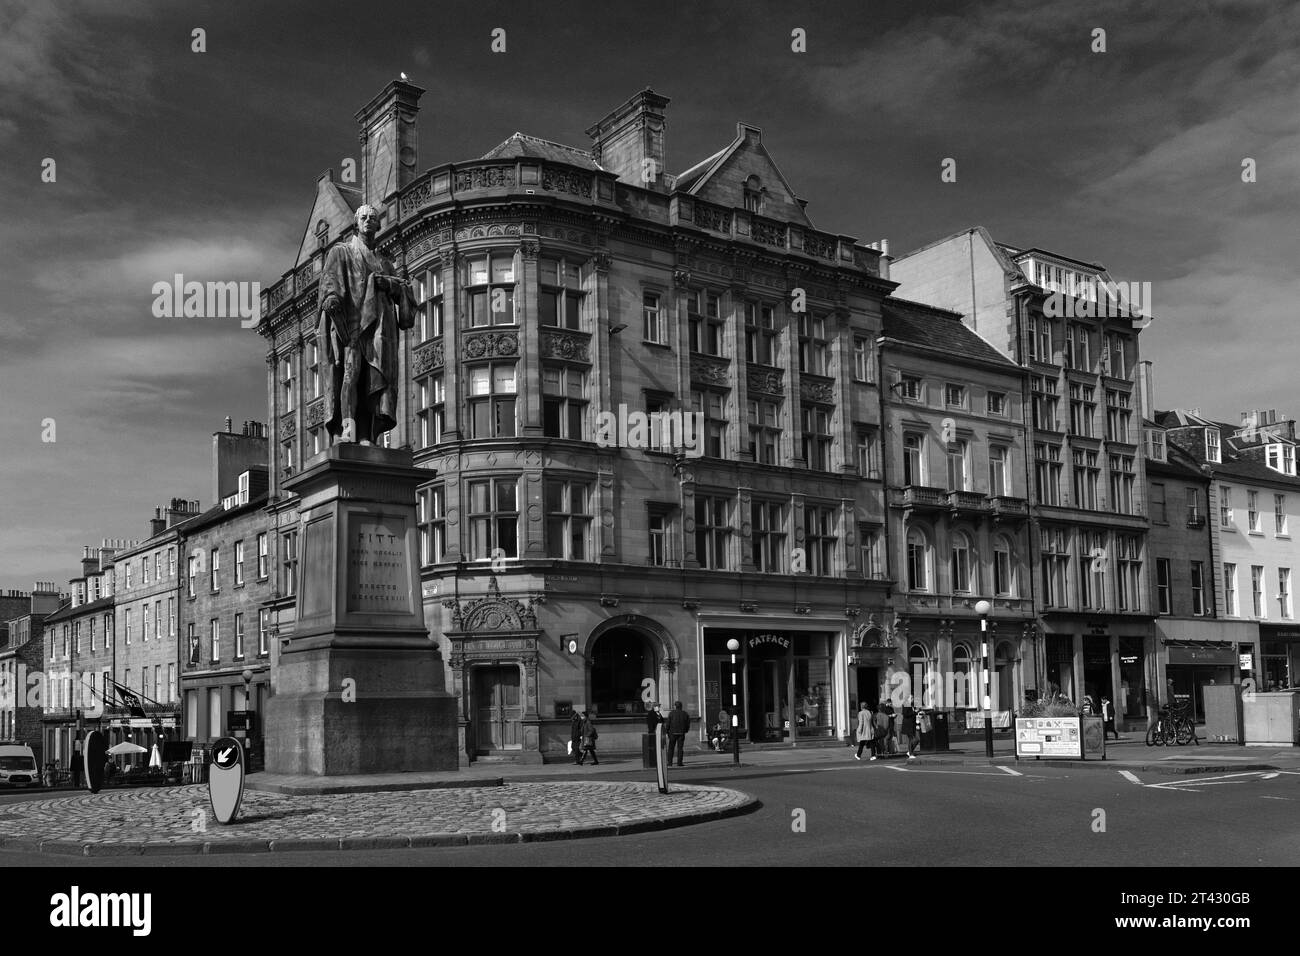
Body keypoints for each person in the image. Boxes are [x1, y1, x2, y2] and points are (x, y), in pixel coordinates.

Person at [316, 203, 418, 445]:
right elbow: (329, 281)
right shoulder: (342, 252)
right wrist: (331, 298)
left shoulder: (385, 263)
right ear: (356, 222)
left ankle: (366, 435)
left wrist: (389, 284)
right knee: (350, 377)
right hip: (352, 327)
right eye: (364, 217)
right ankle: (347, 429)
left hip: (380, 331)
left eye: (373, 217)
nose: (369, 220)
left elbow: (405, 298)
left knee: (374, 382)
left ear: (379, 224)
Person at [665, 701, 691, 767]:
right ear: (681, 706)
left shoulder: (671, 713)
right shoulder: (685, 714)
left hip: (672, 733)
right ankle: (679, 762)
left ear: (675, 706)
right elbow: (688, 724)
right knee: (680, 748)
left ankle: (669, 762)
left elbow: (668, 724)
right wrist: (686, 730)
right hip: (681, 733)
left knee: (671, 748)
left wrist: (667, 731)